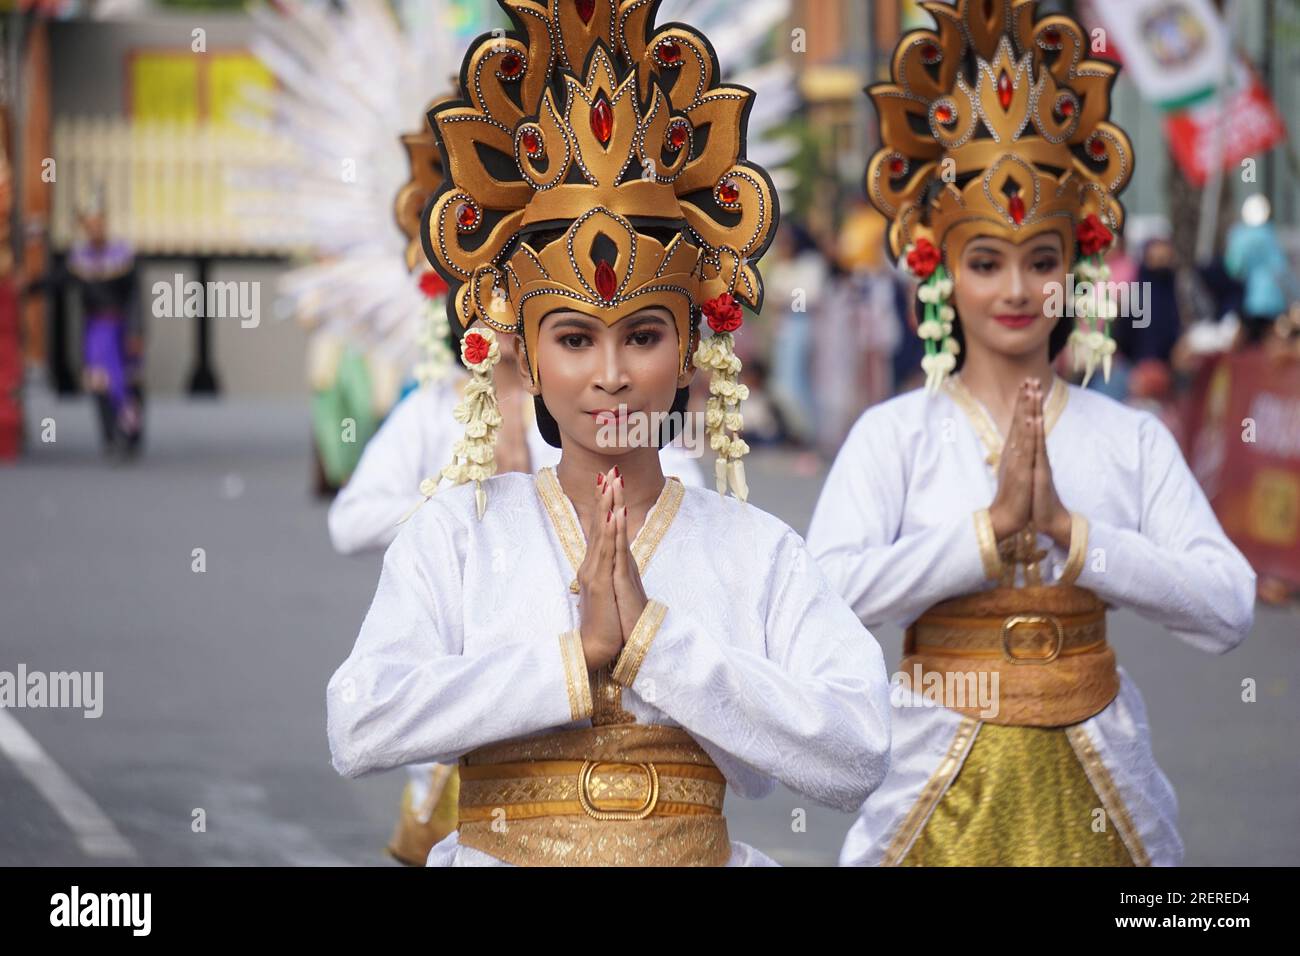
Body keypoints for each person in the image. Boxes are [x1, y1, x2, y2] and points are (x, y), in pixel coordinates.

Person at [326, 0, 891, 866]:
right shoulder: (459, 534)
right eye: (576, 339)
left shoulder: (753, 550)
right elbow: (358, 720)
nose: (612, 375)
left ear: (691, 346)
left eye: (643, 335)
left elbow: (856, 749)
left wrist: (655, 645)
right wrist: (570, 661)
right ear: (522, 353)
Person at [810, 0, 1255, 866]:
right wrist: (983, 537)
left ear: (1074, 269)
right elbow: (826, 595)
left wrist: (1071, 536)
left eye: (1041, 260)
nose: (1016, 288)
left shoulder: (1129, 437)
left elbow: (1229, 606)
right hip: (929, 796)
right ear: (943, 273)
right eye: (987, 261)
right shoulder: (894, 434)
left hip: (1100, 784)